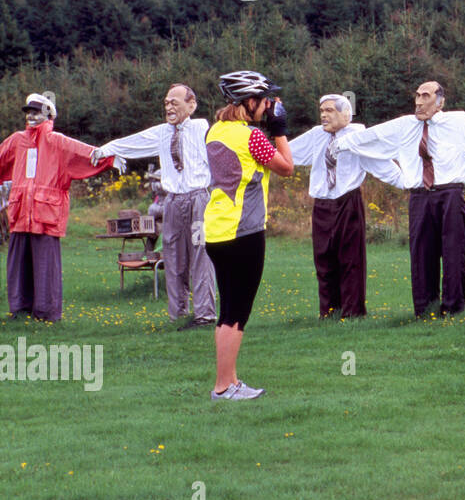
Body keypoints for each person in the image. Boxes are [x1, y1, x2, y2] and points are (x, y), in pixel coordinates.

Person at [335, 80, 465, 318]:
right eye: (417, 96)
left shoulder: (458, 122)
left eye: (425, 96)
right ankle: (424, 308)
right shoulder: (404, 125)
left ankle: (453, 308)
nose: (418, 101)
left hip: (450, 194)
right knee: (421, 253)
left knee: (454, 252)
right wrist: (342, 144)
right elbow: (373, 136)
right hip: (419, 197)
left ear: (440, 102)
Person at [94, 83, 219, 330]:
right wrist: (106, 150)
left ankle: (205, 315)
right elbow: (135, 141)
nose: (169, 106)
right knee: (173, 257)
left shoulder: (202, 128)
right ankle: (178, 314)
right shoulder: (162, 132)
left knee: (201, 255)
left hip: (198, 201)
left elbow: (222, 154)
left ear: (191, 104)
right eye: (166, 103)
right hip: (172, 201)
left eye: (175, 101)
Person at [204, 71, 293, 400]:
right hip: (244, 231)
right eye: (266, 99)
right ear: (250, 102)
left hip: (217, 230)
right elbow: (287, 167)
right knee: (237, 312)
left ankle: (229, 380)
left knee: (227, 309)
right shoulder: (252, 136)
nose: (270, 104)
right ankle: (224, 386)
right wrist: (279, 128)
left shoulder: (216, 130)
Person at [0, 93, 118, 322]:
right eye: (28, 112)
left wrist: (110, 159)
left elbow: (85, 153)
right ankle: (20, 310)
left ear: (48, 115)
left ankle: (46, 312)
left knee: (45, 265)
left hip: (46, 214)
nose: (31, 117)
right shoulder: (16, 140)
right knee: (18, 263)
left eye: (37, 112)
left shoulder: (57, 142)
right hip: (20, 211)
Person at [288, 94, 404, 320]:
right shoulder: (315, 136)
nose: (323, 115)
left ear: (346, 114)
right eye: (321, 110)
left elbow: (380, 164)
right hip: (322, 204)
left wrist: (408, 183)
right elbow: (288, 154)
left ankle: (352, 313)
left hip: (347, 202)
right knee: (323, 260)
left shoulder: (357, 137)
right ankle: (329, 312)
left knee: (350, 260)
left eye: (330, 110)